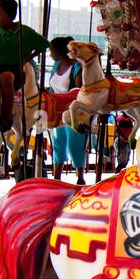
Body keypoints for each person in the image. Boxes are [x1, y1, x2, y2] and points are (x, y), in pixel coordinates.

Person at [0, 0, 49, 125]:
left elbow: (44, 45)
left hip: (14, 69)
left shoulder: (24, 32)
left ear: (10, 14)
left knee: (6, 77)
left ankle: (6, 117)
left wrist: (27, 58)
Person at [46, 36, 87, 186]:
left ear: (59, 51)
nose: (50, 54)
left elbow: (79, 88)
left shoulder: (77, 66)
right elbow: (52, 87)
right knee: (58, 141)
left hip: (72, 108)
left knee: (74, 141)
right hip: (57, 108)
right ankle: (57, 175)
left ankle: (80, 176)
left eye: (52, 51)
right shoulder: (56, 66)